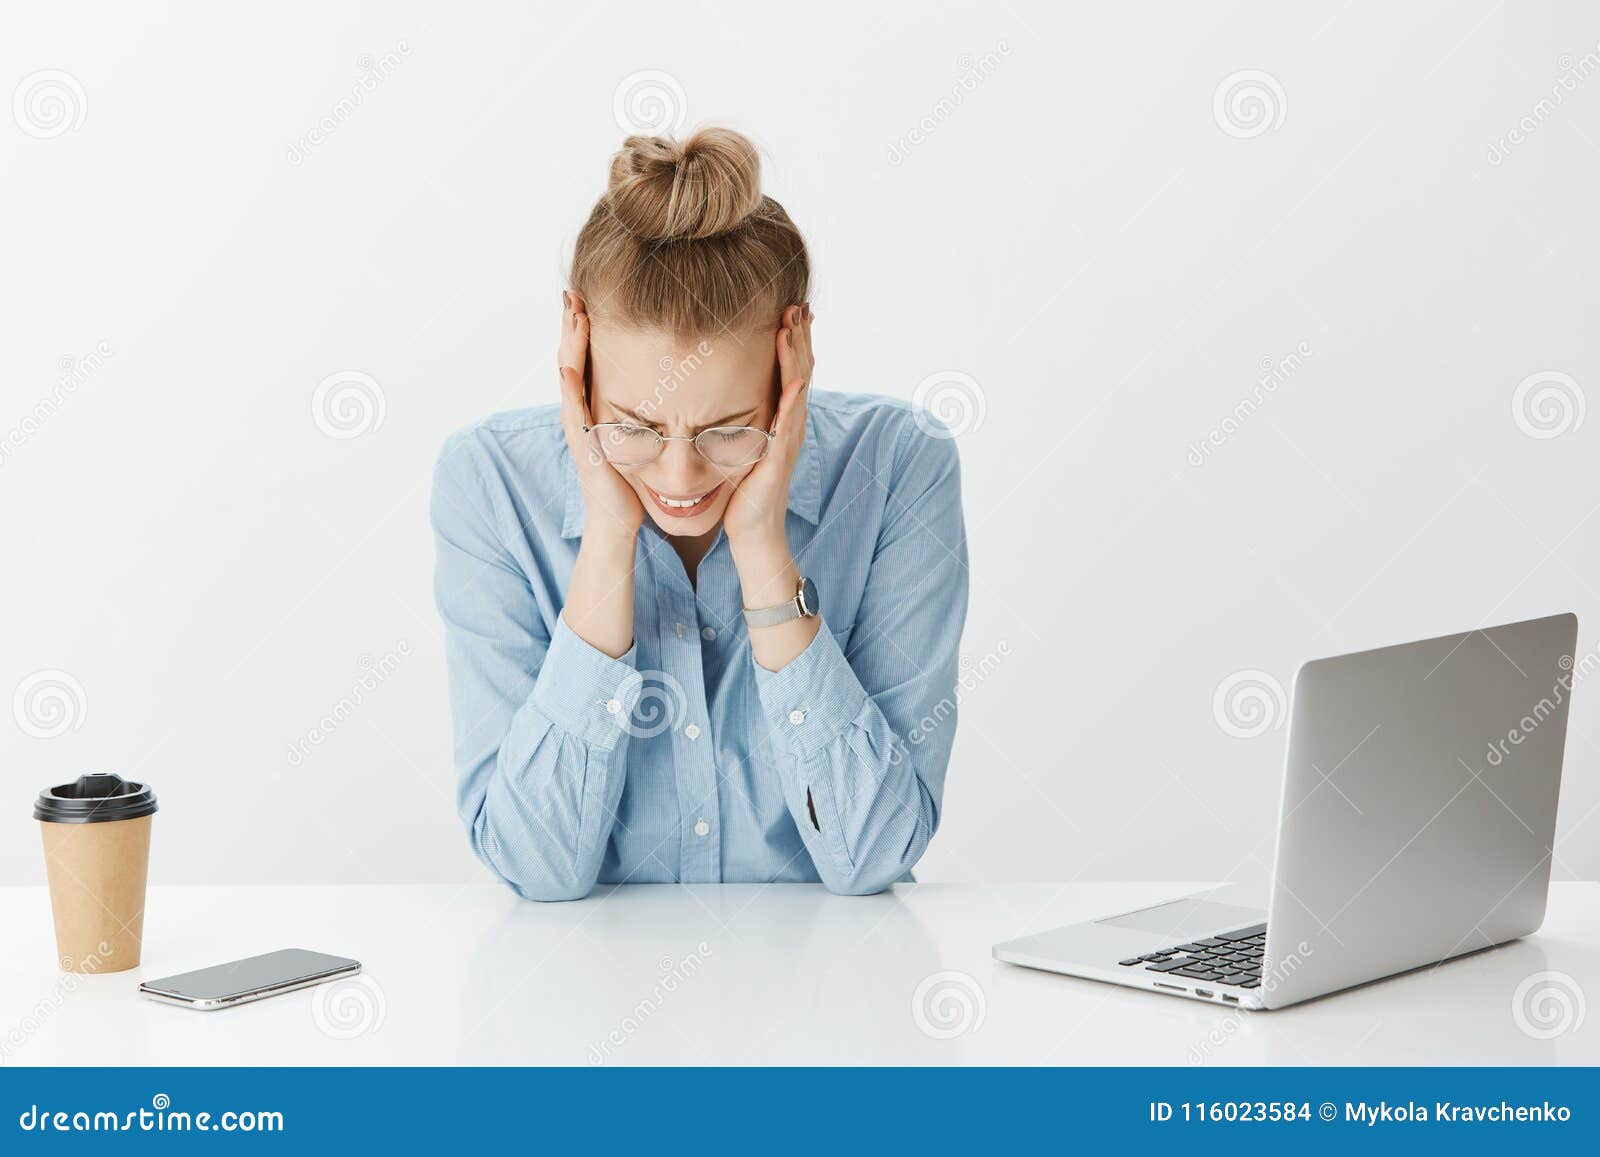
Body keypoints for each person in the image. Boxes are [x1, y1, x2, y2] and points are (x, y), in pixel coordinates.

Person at [429, 126, 969, 900]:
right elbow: (537, 867)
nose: (679, 474)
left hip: (835, 1002)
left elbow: (874, 854)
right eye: (635, 426)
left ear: (794, 359)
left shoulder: (900, 467)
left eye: (727, 428)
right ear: (575, 362)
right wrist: (609, 538)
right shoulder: (488, 482)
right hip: (577, 1002)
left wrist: (762, 551)